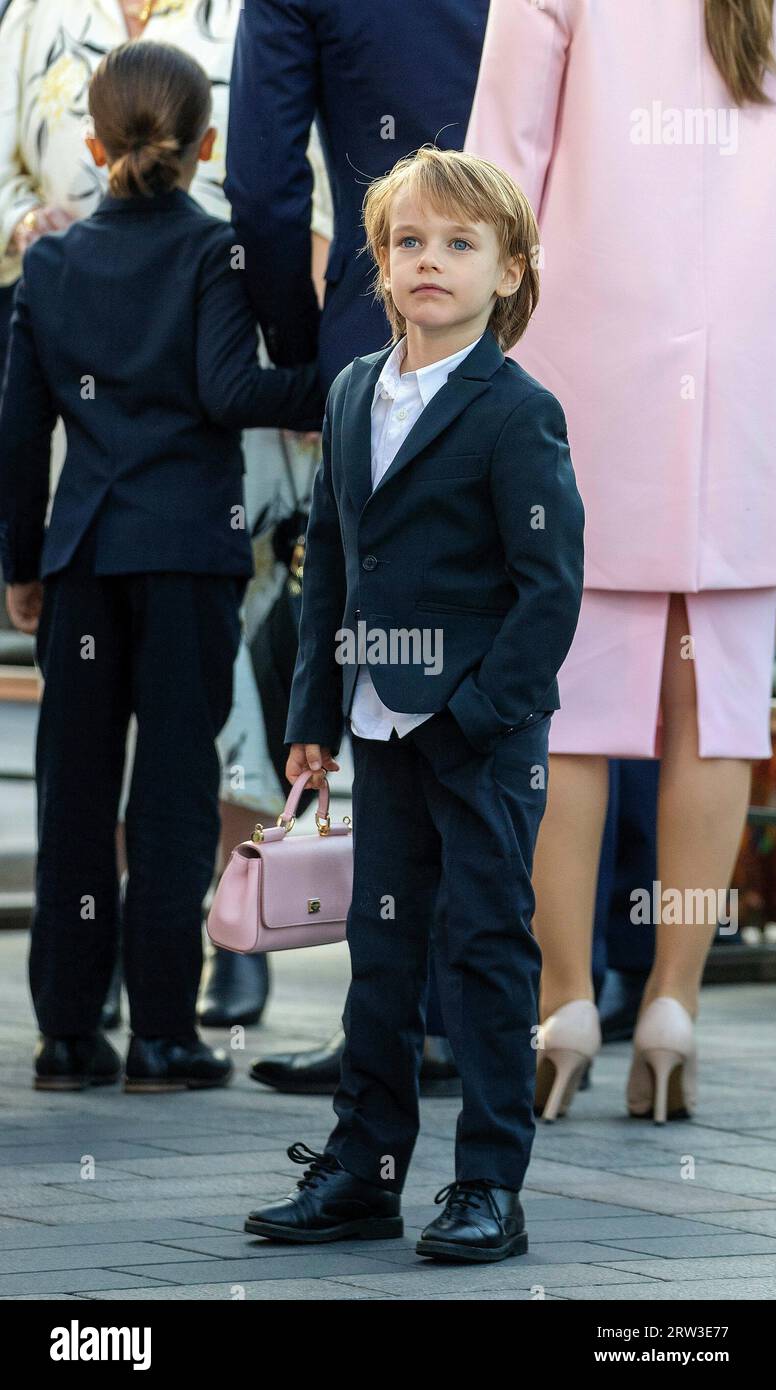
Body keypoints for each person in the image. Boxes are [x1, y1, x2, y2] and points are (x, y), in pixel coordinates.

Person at [243, 145, 585, 1262]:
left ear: (507, 270)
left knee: (483, 951)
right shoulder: (350, 393)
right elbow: (329, 565)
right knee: (380, 955)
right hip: (375, 724)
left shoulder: (514, 409)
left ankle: (489, 1182)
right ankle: (361, 1170)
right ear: (379, 269)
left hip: (477, 734)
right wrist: (311, 712)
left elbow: (549, 588)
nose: (427, 261)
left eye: (457, 244)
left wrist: (482, 714)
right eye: (406, 243)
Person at [464, 0, 776, 1123]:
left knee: (573, 706)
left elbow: (497, 172)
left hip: (583, 368)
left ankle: (564, 1007)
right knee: (719, 712)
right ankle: (672, 1008)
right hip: (750, 369)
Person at [0, 40, 324, 1092]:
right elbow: (232, 391)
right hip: (186, 555)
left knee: (75, 789)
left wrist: (22, 561)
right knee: (176, 794)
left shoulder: (48, 264)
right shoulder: (214, 251)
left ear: (91, 144)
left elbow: (17, 433)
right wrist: (338, 392)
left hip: (85, 555)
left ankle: (63, 1034)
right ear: (210, 145)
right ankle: (162, 1036)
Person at [226, 0, 491, 1094]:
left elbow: (262, 181)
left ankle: (393, 1022)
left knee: (373, 649)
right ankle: (507, 1004)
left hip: (375, 318)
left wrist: (298, 339)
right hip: (519, 309)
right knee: (493, 644)